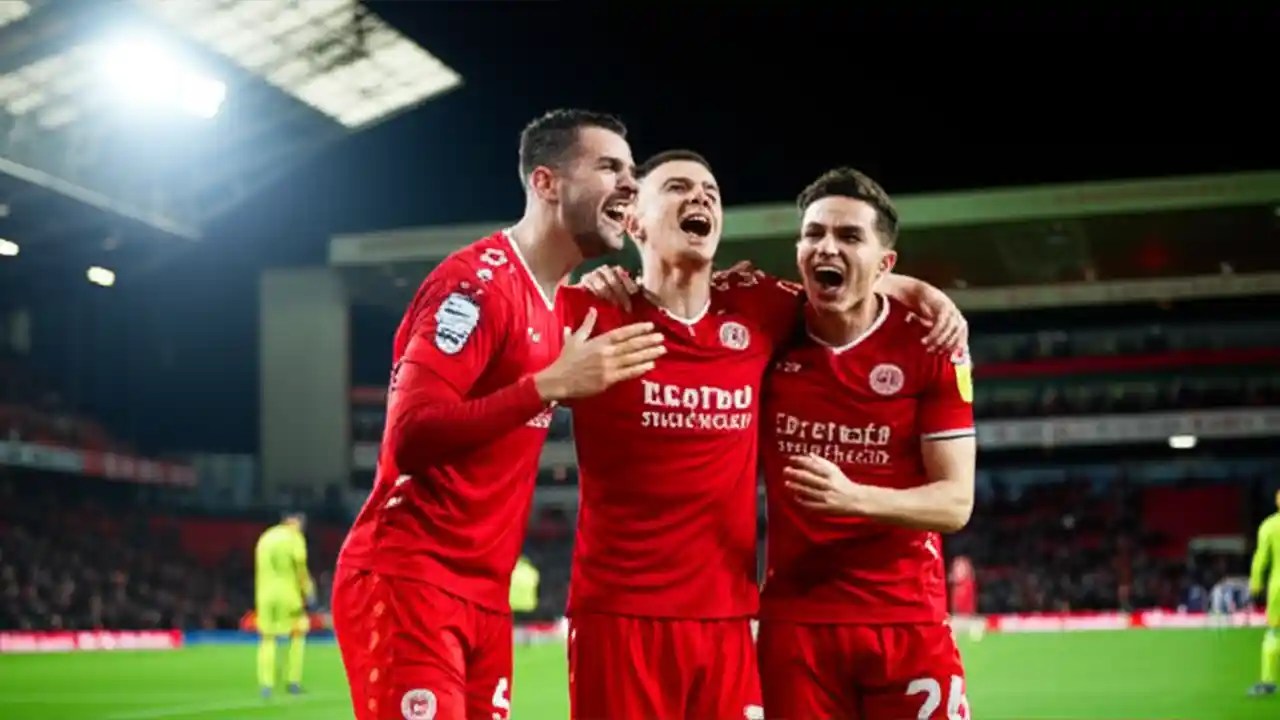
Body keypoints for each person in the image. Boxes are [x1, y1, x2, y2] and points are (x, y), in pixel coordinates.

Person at [564, 151, 969, 719]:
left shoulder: (765, 309)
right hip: (641, 616)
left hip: (750, 621)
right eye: (678, 187)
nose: (700, 197)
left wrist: (921, 291)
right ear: (633, 219)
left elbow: (842, 294)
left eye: (710, 189)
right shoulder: (593, 310)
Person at [330, 109, 666, 720]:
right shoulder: (475, 286)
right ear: (546, 182)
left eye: (633, 172)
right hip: (410, 579)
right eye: (609, 167)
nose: (630, 185)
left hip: (486, 596)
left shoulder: (561, 303)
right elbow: (409, 436)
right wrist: (547, 386)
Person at [756, 167, 978, 720]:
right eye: (813, 234)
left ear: (885, 264)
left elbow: (955, 503)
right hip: (795, 626)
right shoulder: (766, 330)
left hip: (906, 621)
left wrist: (854, 497)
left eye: (850, 236)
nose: (825, 246)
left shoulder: (930, 345)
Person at [253, 512, 314, 698]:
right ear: (294, 521)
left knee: (267, 638)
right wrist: (309, 591)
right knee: (298, 634)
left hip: (264, 595)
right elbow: (300, 567)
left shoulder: (266, 537)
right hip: (289, 595)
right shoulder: (294, 538)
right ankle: (292, 681)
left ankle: (266, 684)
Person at [1247, 489, 1280, 696]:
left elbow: (1261, 559)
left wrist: (1256, 584)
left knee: (1274, 633)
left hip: (1279, 587)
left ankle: (1268, 682)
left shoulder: (1269, 526)